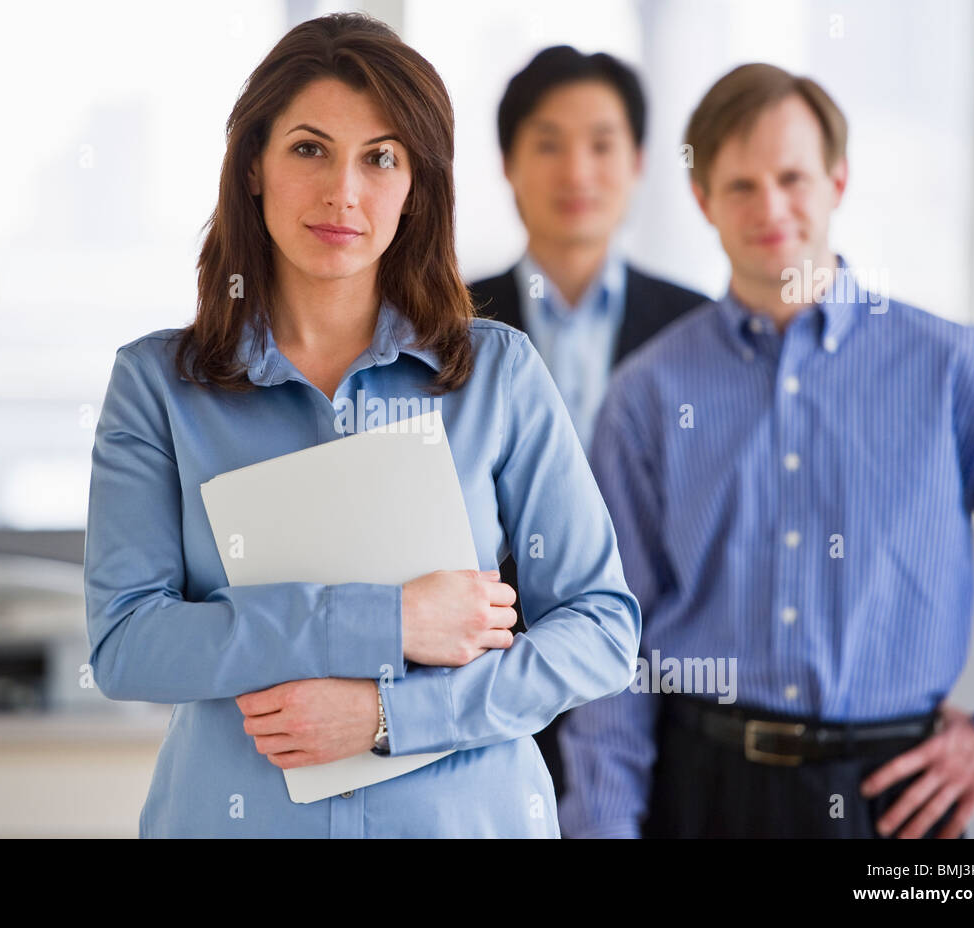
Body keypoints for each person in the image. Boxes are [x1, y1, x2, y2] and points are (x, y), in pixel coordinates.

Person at [82, 12, 641, 838]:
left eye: (381, 158)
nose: (344, 190)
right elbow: (128, 644)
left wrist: (391, 717)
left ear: (416, 186)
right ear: (254, 170)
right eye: (310, 149)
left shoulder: (499, 374)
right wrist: (390, 622)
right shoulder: (158, 388)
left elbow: (600, 629)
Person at [558, 62, 974, 838]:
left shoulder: (953, 370)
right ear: (702, 198)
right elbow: (612, 638)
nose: (771, 207)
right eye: (741, 185)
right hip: (700, 793)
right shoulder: (648, 395)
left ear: (838, 180)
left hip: (899, 803)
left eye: (793, 176)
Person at [468, 45, 708, 801]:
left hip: (664, 702)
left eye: (602, 144)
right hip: (483, 691)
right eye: (547, 144)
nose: (577, 172)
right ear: (508, 163)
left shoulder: (697, 330)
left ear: (637, 162)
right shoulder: (445, 325)